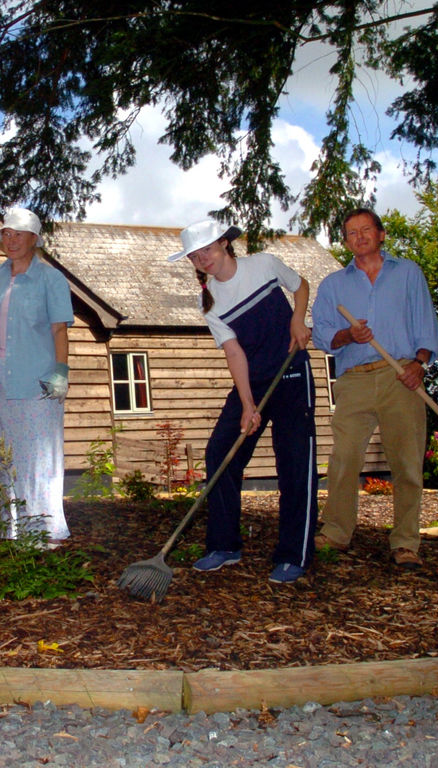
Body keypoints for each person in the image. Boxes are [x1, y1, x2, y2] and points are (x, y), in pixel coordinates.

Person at [169, 220, 319, 584]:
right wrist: (248, 405)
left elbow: (301, 287)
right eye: (194, 254)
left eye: (207, 248)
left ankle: (293, 554)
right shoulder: (210, 305)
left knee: (294, 463)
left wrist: (298, 321)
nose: (202, 258)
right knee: (221, 452)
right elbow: (234, 353)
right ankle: (223, 546)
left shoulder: (264, 265)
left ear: (224, 243)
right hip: (251, 382)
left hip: (292, 373)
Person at [311, 208, 438, 570]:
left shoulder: (408, 274)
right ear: (346, 241)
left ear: (381, 234)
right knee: (344, 459)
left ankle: (405, 543)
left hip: (401, 375)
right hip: (353, 379)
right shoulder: (334, 285)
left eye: (366, 229)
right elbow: (322, 335)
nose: (359, 236)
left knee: (407, 464)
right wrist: (348, 334)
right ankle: (336, 532)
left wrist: (419, 363)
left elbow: (425, 323)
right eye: (351, 233)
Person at [0, 208, 73, 546]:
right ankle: (15, 533)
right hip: (4, 382)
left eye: (18, 233)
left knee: (40, 459)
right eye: (6, 234)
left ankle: (43, 533)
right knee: (10, 457)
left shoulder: (51, 279)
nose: (10, 239)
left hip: (39, 383)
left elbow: (59, 329)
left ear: (34, 238)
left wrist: (61, 373)